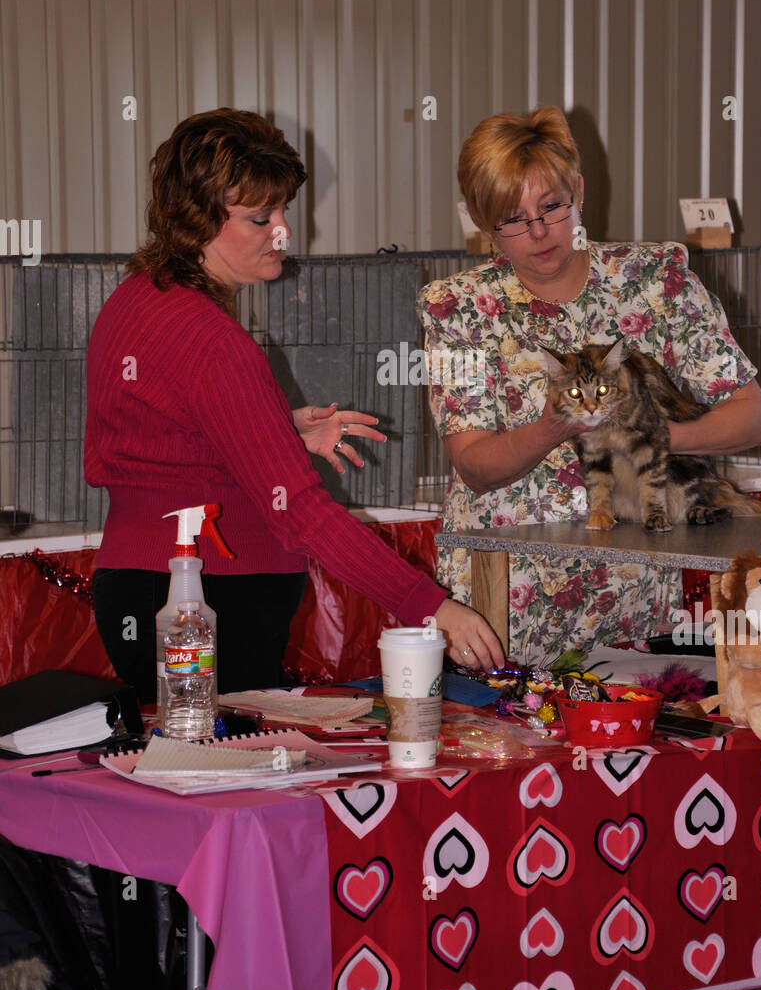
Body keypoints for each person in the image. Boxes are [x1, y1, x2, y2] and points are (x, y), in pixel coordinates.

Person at [85, 108, 503, 700]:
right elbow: (302, 513)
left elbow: (150, 442)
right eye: (260, 217)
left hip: (143, 583)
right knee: (221, 774)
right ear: (196, 219)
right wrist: (432, 607)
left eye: (284, 210)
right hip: (209, 597)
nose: (283, 231)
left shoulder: (132, 300)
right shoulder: (211, 339)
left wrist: (270, 431)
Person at [419, 106, 761, 668]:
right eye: (511, 218)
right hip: (502, 600)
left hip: (635, 594)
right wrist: (557, 426)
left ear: (578, 192)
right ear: (483, 222)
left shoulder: (656, 279)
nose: (538, 231)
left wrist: (649, 439)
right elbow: (476, 466)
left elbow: (753, 417)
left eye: (552, 207)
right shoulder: (457, 308)